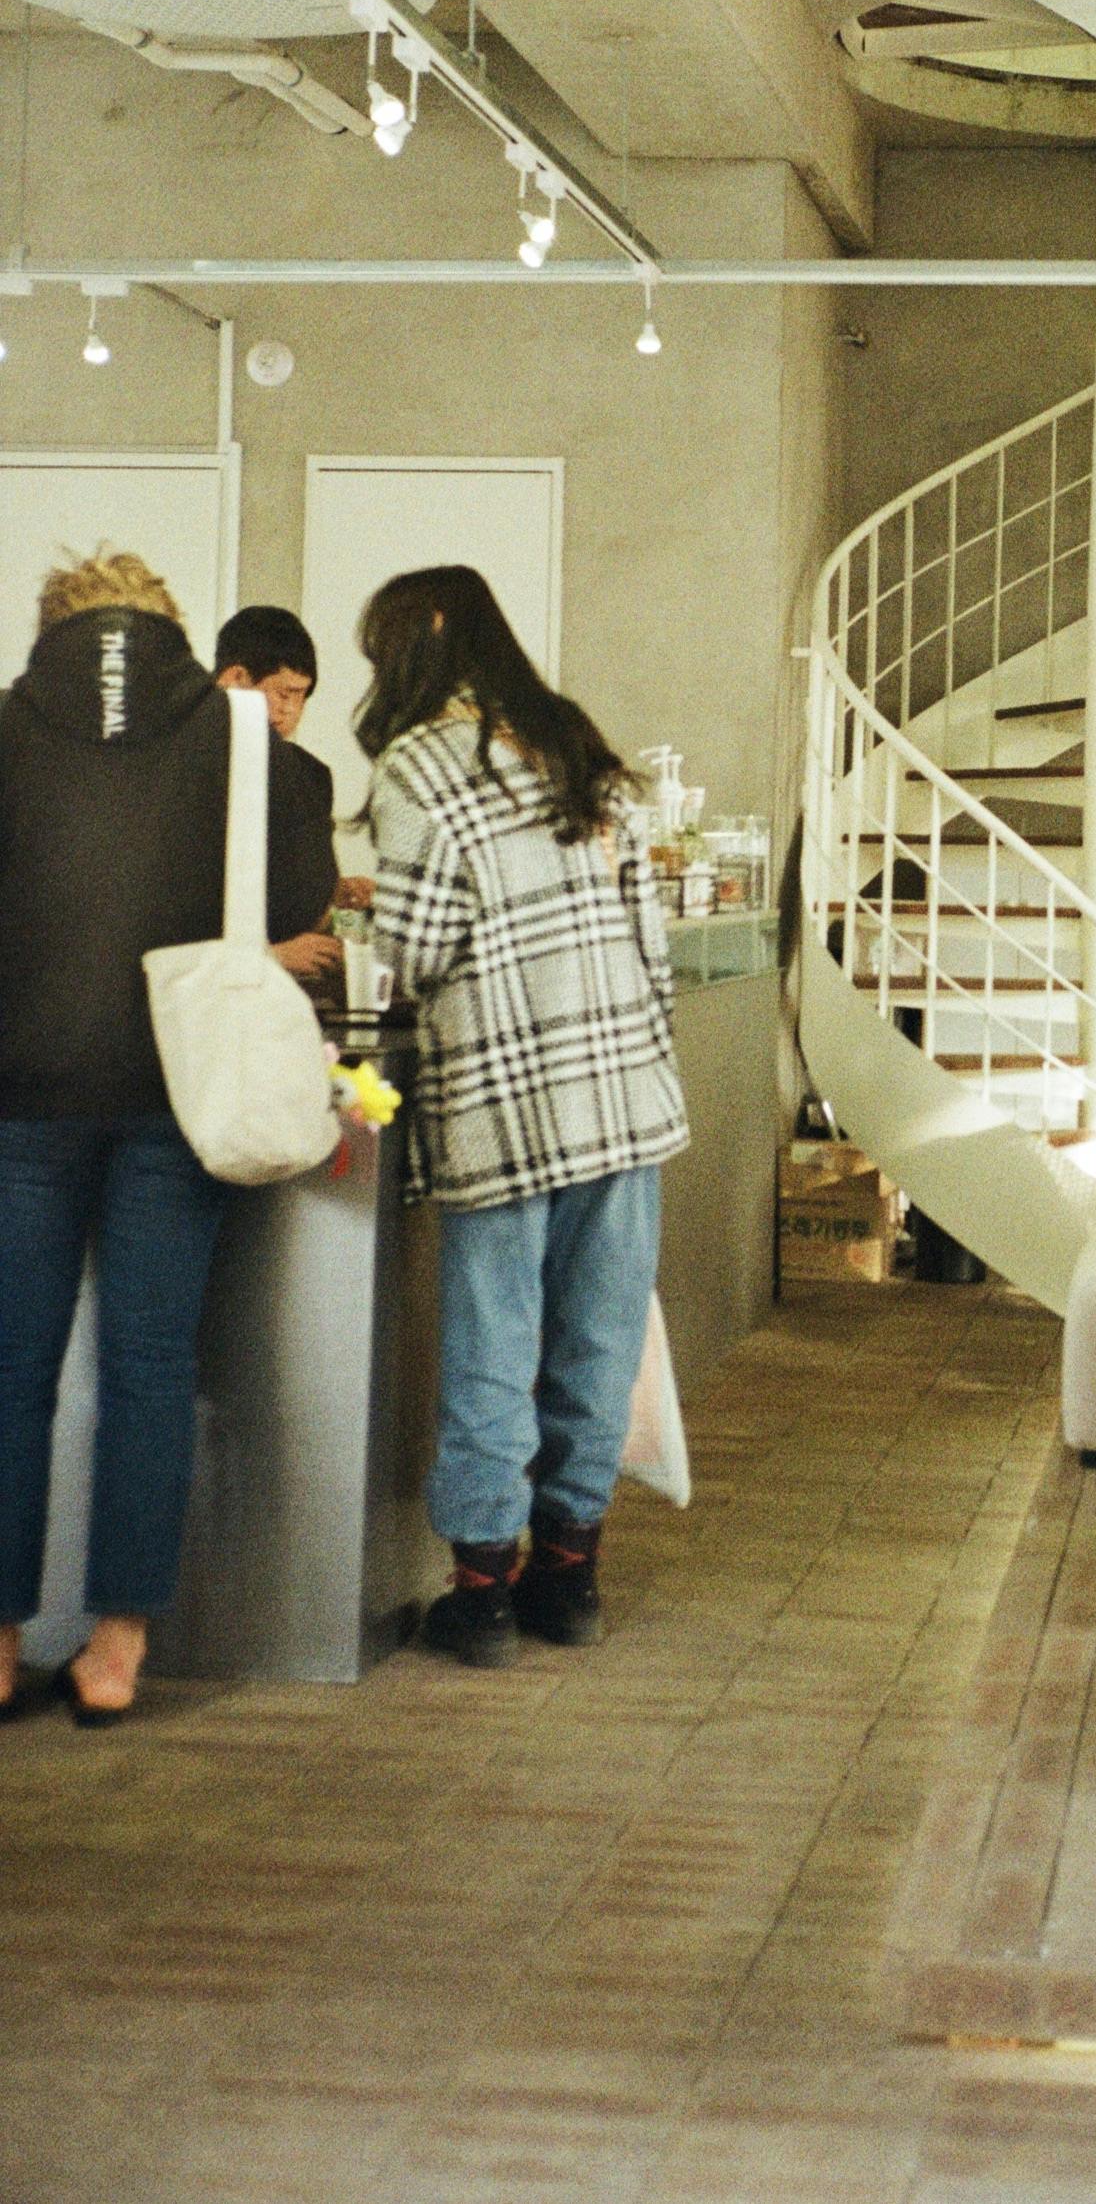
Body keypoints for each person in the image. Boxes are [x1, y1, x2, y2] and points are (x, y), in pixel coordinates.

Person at [0, 554, 339, 1720]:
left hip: (18, 1098)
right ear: (178, 637)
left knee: (8, 1371)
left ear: (52, 631)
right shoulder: (244, 736)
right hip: (175, 1091)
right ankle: (116, 1648)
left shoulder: (2, 725)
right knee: (148, 1370)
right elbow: (300, 895)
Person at [359, 566, 688, 1668]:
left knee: (494, 1342)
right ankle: (571, 1582)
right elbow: (652, 936)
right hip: (624, 1093)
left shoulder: (419, 763)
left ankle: (485, 1594)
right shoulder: (572, 741)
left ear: (415, 650)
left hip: (503, 1095)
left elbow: (415, 945)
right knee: (598, 1340)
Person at [212, 604, 367, 985]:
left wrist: (340, 896)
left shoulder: (312, 775)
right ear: (235, 679)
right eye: (283, 693)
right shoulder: (189, 770)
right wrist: (270, 956)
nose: (291, 710)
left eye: (302, 697)